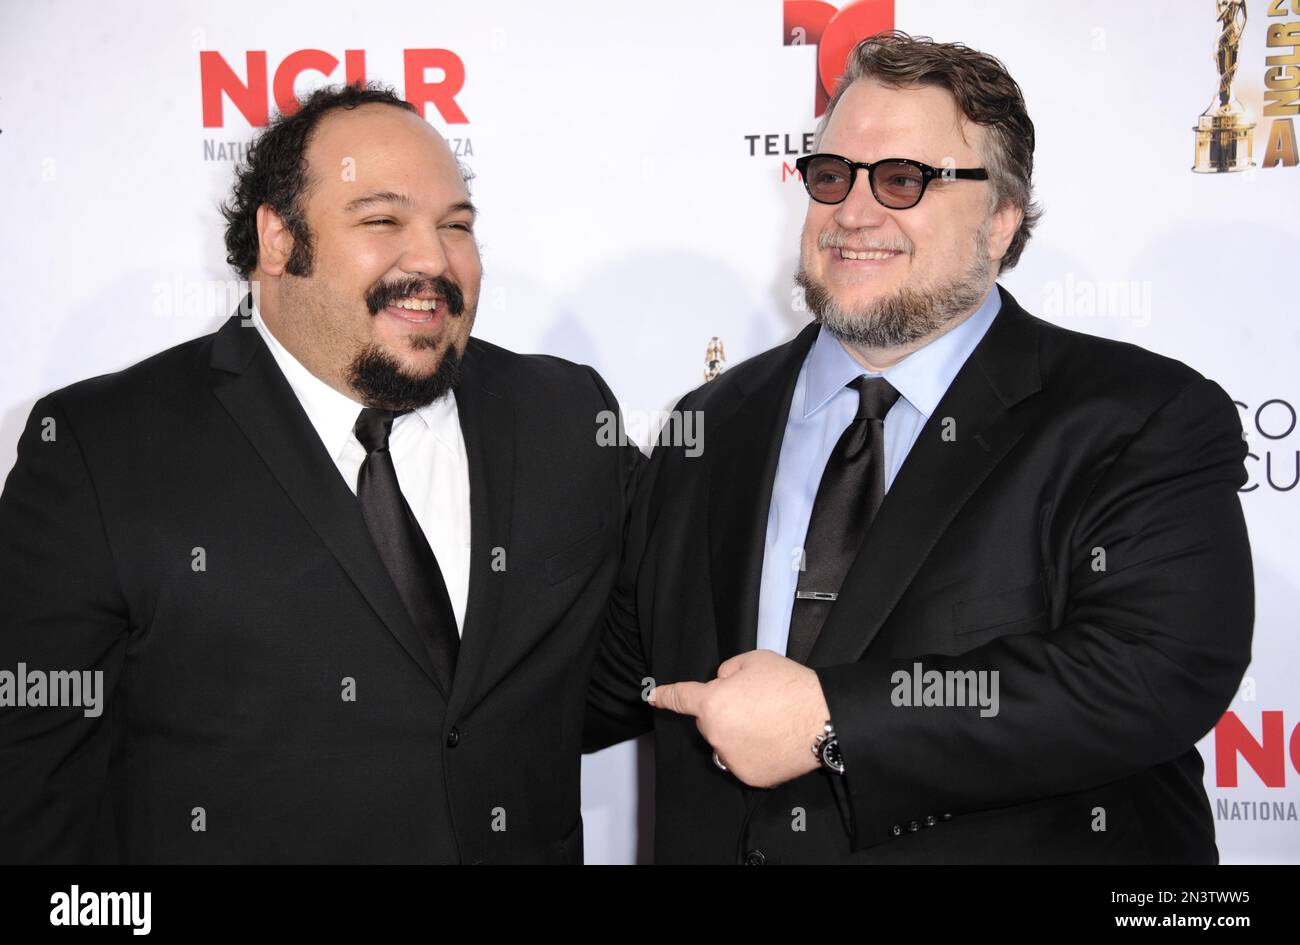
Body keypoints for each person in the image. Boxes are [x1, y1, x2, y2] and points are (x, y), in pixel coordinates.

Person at [585, 31, 1253, 863]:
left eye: (903, 180)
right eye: (830, 176)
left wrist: (833, 718)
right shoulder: (710, 424)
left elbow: (1149, 673)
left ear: (1002, 219)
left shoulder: (1137, 416)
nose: (853, 212)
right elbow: (600, 676)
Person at [0, 83, 638, 863]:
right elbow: (34, 795)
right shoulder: (101, 450)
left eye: (456, 226)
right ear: (277, 240)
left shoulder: (565, 415)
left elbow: (649, 636)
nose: (433, 260)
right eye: (382, 220)